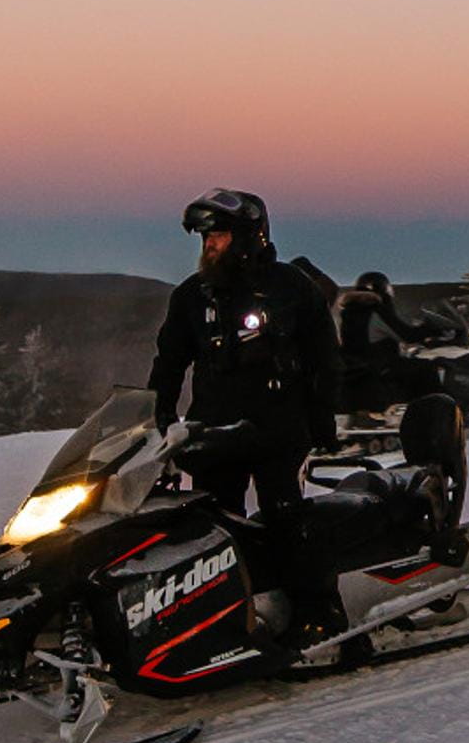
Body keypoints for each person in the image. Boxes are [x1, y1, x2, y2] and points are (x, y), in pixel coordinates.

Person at [147, 189, 343, 641]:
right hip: (212, 430)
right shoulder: (192, 296)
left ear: (249, 236)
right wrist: (159, 416)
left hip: (277, 428)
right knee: (211, 529)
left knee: (285, 516)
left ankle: (319, 612)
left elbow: (324, 357)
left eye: (218, 235)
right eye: (205, 237)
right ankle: (224, 620)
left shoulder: (291, 287)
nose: (209, 245)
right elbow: (169, 362)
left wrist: (322, 418)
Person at [335, 270, 446, 415]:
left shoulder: (349, 312)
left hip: (361, 367)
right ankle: (436, 413)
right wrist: (431, 329)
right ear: (384, 289)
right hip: (380, 365)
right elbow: (406, 335)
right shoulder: (375, 311)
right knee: (427, 368)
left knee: (412, 365)